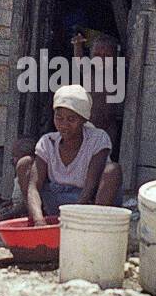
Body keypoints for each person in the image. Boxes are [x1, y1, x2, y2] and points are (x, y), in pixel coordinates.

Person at [17, 84, 122, 226]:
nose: (64, 125)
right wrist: (39, 221)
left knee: (113, 170)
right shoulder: (48, 142)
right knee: (24, 164)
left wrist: (71, 218)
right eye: (59, 118)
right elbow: (34, 186)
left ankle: (95, 226)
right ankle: (42, 218)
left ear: (84, 119)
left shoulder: (97, 139)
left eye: (71, 119)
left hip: (87, 204)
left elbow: (90, 187)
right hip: (56, 200)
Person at [71, 31, 124, 156]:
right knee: (85, 153)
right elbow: (78, 61)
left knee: (106, 154)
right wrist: (77, 45)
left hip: (109, 125)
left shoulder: (117, 75)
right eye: (97, 55)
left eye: (107, 56)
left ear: (116, 58)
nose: (101, 59)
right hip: (89, 124)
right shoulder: (90, 72)